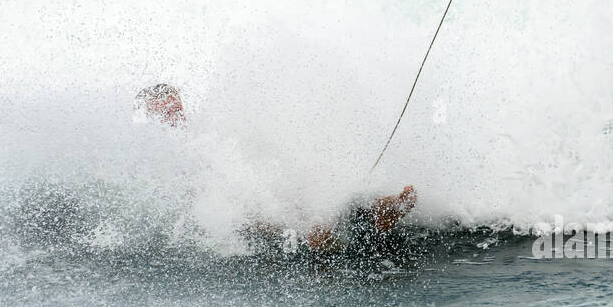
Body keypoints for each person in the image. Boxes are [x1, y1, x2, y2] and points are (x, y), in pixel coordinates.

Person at [136, 83, 417, 252]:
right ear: (149, 116)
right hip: (225, 208)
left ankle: (381, 209)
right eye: (164, 113)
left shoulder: (205, 131)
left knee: (291, 192)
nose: (174, 118)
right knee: (251, 212)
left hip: (251, 188)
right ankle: (319, 231)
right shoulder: (149, 153)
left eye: (176, 110)